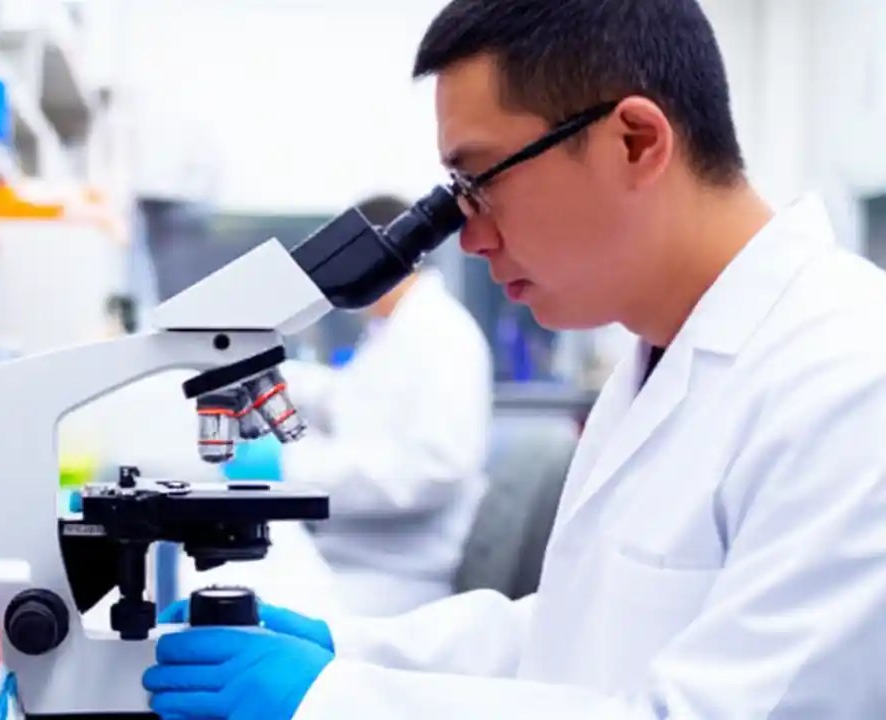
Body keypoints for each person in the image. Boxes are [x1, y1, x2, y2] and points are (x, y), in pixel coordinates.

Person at [142, 1, 886, 718]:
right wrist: (354, 650)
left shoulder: (850, 381)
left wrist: (337, 701)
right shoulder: (661, 356)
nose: (468, 238)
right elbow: (580, 635)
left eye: (481, 183)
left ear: (635, 141)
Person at [219, 193, 493, 618]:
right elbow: (352, 399)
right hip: (351, 556)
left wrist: (288, 467)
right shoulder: (396, 328)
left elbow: (432, 469)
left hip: (394, 577)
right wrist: (276, 374)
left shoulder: (441, 335)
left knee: (230, 609)